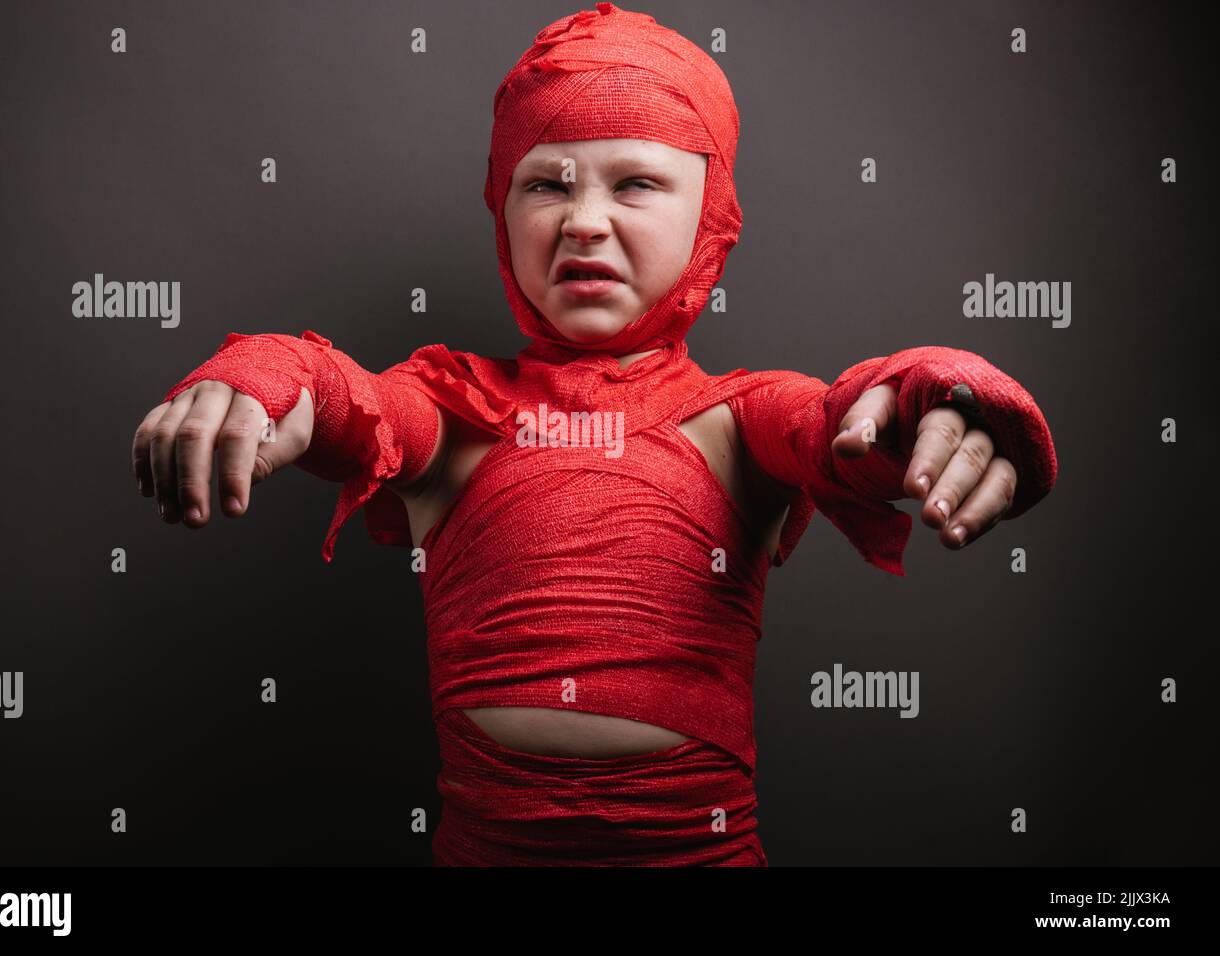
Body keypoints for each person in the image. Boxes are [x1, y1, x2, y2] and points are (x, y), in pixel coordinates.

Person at [131, 2, 1057, 865]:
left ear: (712, 215)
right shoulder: (457, 411)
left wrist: (936, 389)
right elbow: (353, 405)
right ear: (502, 212)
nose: (583, 220)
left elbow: (844, 425)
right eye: (546, 183)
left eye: (638, 182)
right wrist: (262, 375)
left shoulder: (739, 418)